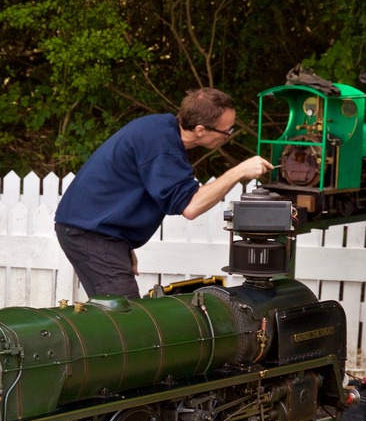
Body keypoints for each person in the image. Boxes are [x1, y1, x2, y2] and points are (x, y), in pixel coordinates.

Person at [54, 88, 272, 299]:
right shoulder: (161, 146)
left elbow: (126, 186)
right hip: (89, 234)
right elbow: (191, 206)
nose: (229, 136)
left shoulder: (159, 129)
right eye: (227, 131)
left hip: (97, 232)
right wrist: (239, 171)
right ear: (200, 130)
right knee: (125, 319)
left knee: (116, 320)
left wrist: (124, 244)